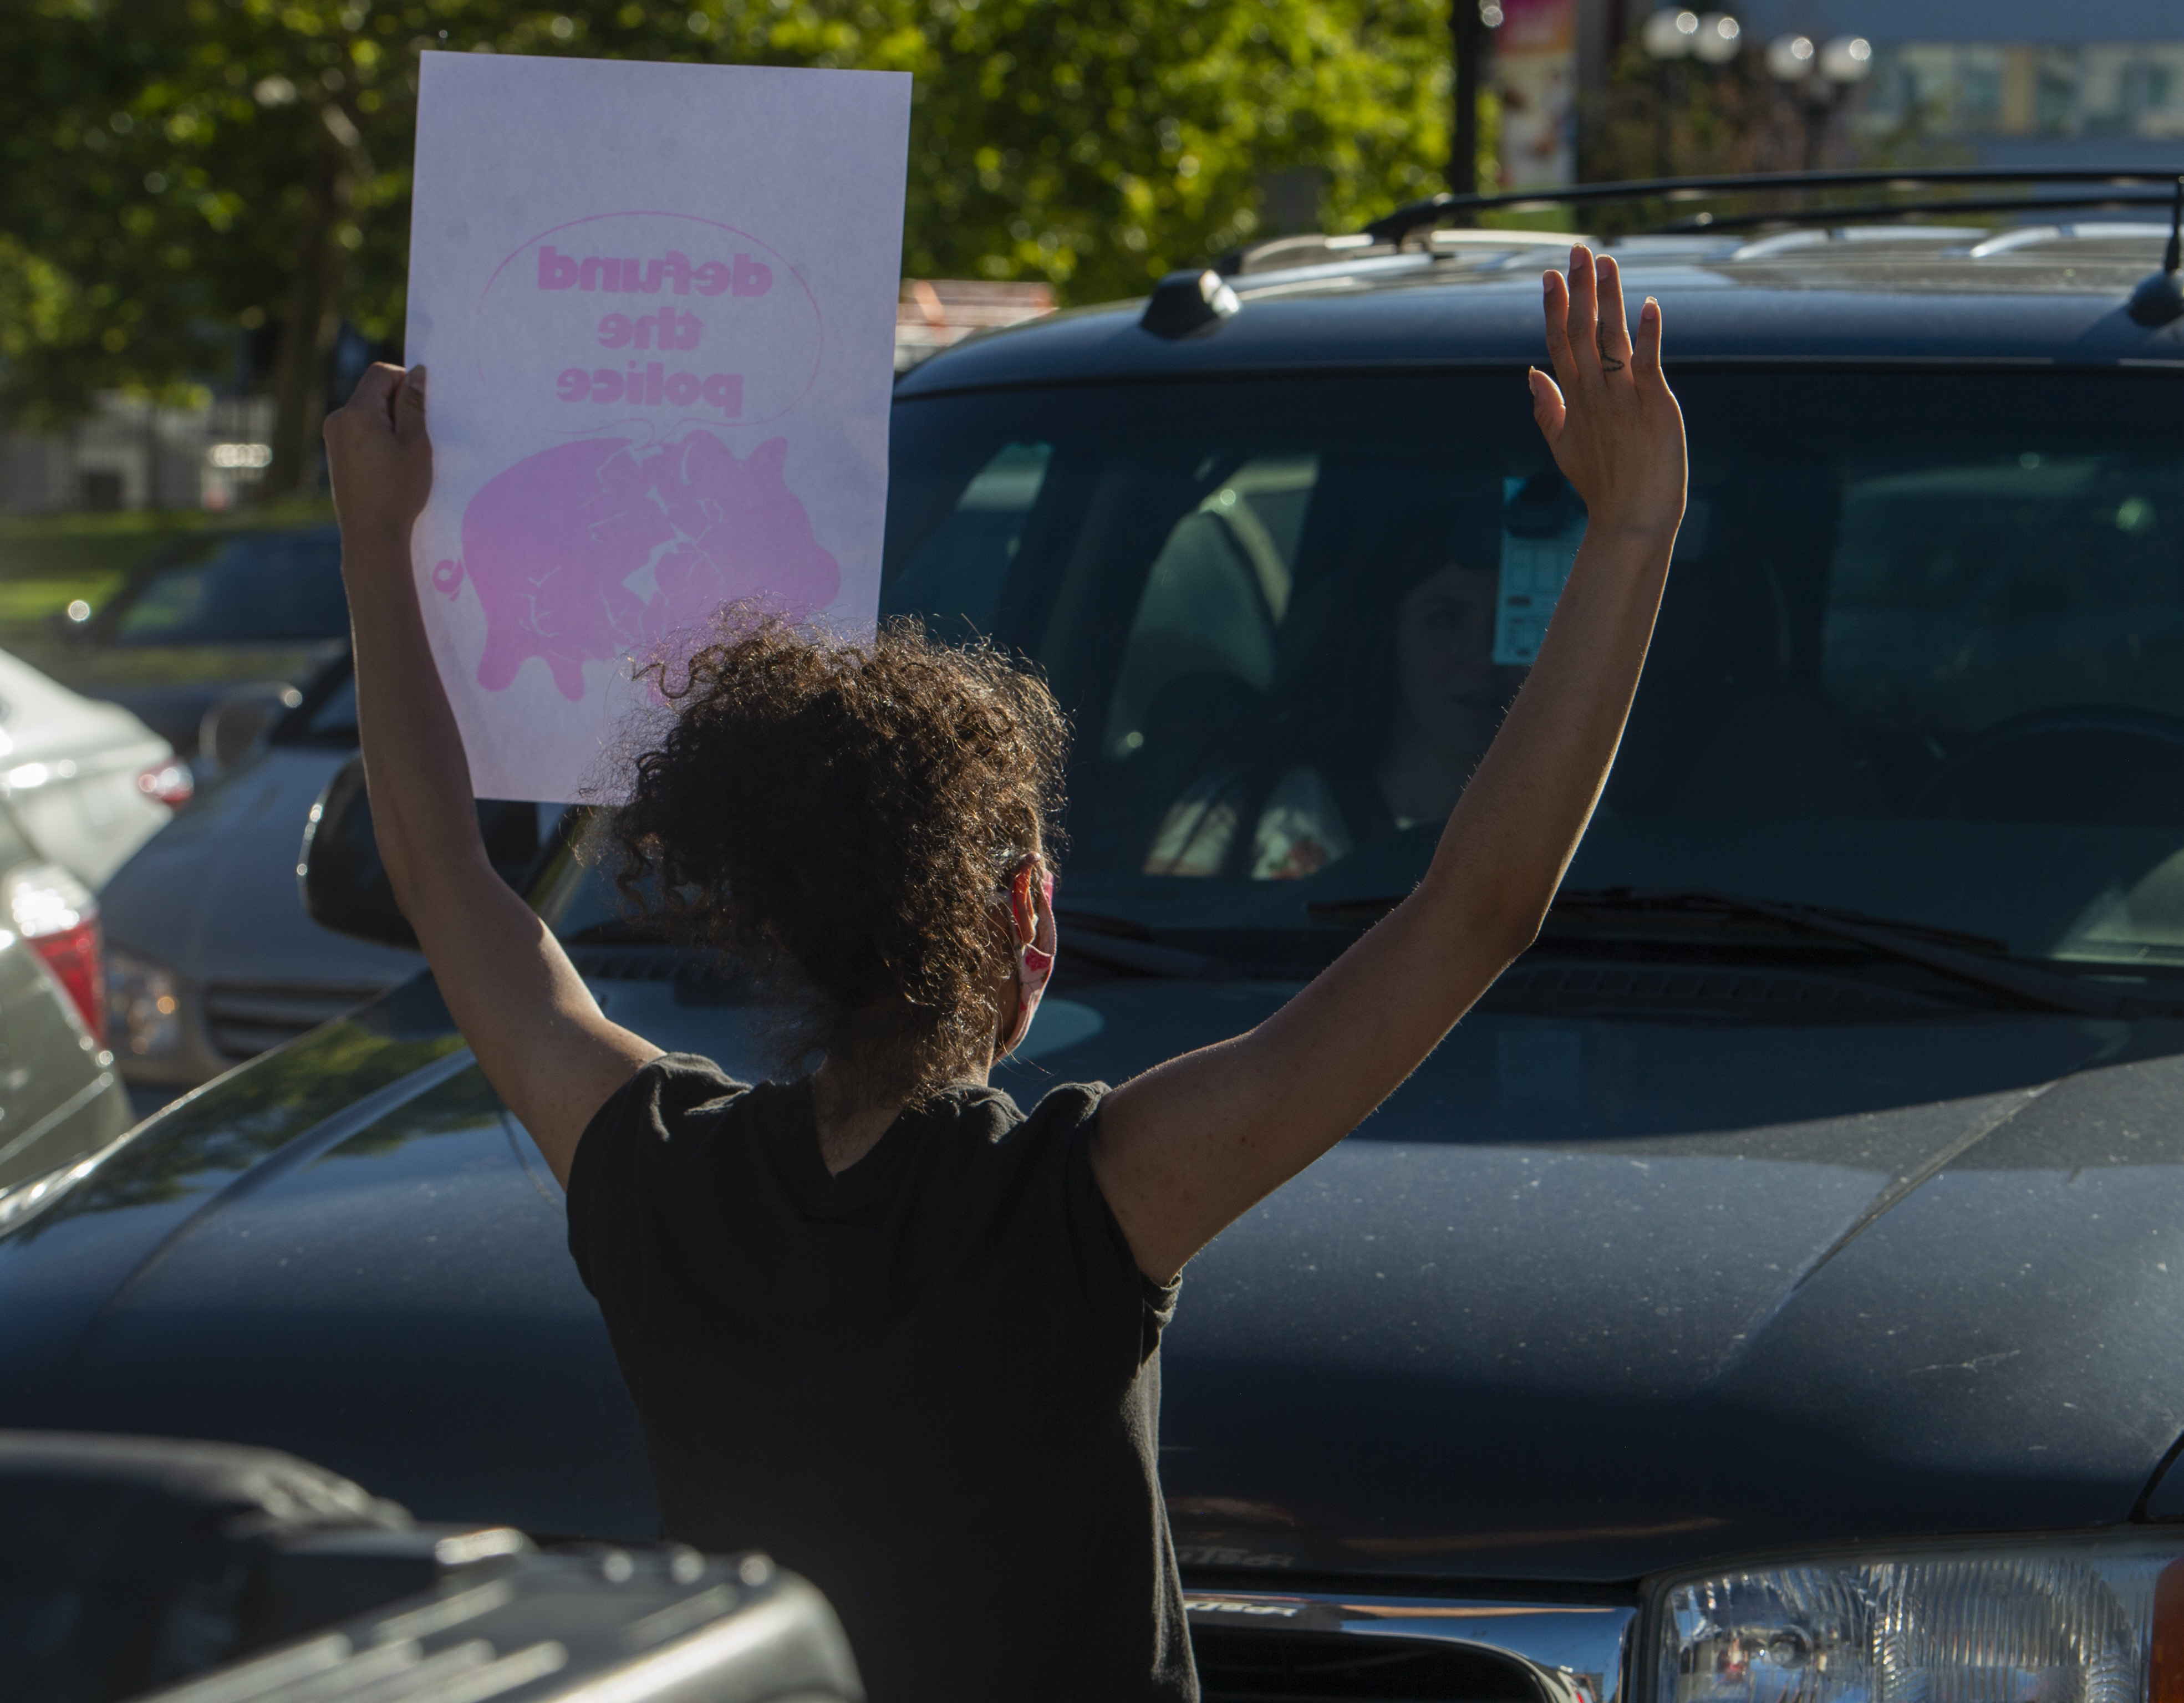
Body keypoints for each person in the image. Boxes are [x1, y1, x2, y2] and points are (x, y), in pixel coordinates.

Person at [321, 248, 1686, 1702]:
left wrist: (373, 538)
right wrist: (1633, 527)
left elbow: (449, 887)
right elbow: (1473, 912)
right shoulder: (1087, 1205)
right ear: (1026, 918)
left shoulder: (657, 1179)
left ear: (776, 917)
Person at [1143, 513, 1525, 881]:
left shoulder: (1565, 832)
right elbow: (1160, 938)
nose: (1485, 657)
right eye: (1444, 619)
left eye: (1517, 625)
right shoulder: (1248, 806)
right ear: (1387, 637)